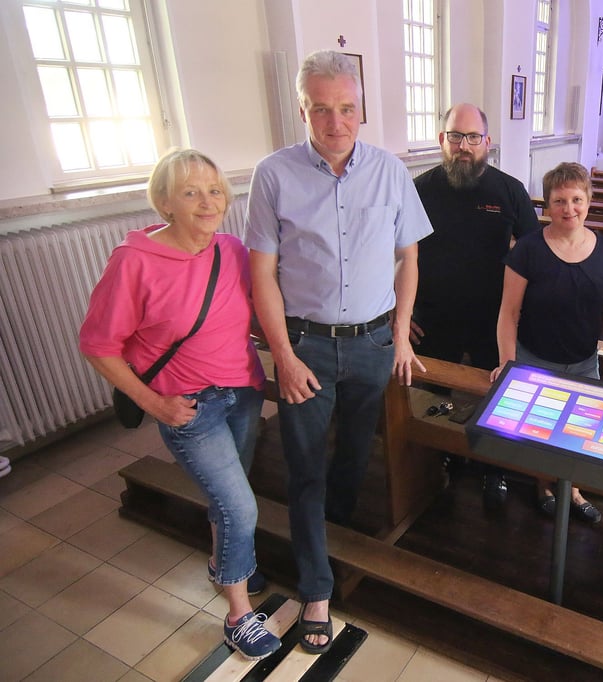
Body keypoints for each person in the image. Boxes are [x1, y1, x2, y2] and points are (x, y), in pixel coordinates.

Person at [245, 50, 432, 654]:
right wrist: (283, 355)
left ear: (362, 109)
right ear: (302, 109)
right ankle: (316, 588)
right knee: (304, 467)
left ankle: (336, 536)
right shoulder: (273, 175)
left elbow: (409, 258)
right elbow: (262, 274)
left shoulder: (390, 171)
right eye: (321, 109)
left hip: (374, 344)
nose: (336, 122)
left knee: (355, 453)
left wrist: (399, 335)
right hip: (307, 347)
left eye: (347, 108)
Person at [80, 149, 280, 661]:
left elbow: (250, 315)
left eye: (215, 191)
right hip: (189, 408)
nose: (207, 202)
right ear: (165, 202)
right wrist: (153, 404)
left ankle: (223, 564)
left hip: (243, 392)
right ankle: (238, 614)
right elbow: (98, 345)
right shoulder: (134, 261)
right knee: (239, 505)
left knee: (230, 493)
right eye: (191, 193)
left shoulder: (231, 250)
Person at [412, 103, 541, 509]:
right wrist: (402, 311)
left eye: (472, 137)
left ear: (487, 141)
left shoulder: (509, 190)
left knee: (496, 394)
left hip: (493, 318)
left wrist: (526, 314)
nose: (463, 146)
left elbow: (534, 253)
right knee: (434, 396)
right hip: (434, 317)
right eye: (455, 136)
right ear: (442, 140)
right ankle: (440, 457)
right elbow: (396, 253)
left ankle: (493, 467)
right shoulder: (418, 189)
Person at [491, 162, 603, 525]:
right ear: (547, 205)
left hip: (584, 361)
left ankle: (574, 490)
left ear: (588, 201)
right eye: (559, 201)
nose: (569, 209)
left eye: (577, 200)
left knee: (580, 431)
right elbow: (509, 312)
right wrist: (507, 363)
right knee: (542, 432)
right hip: (536, 358)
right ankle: (544, 486)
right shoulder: (528, 250)